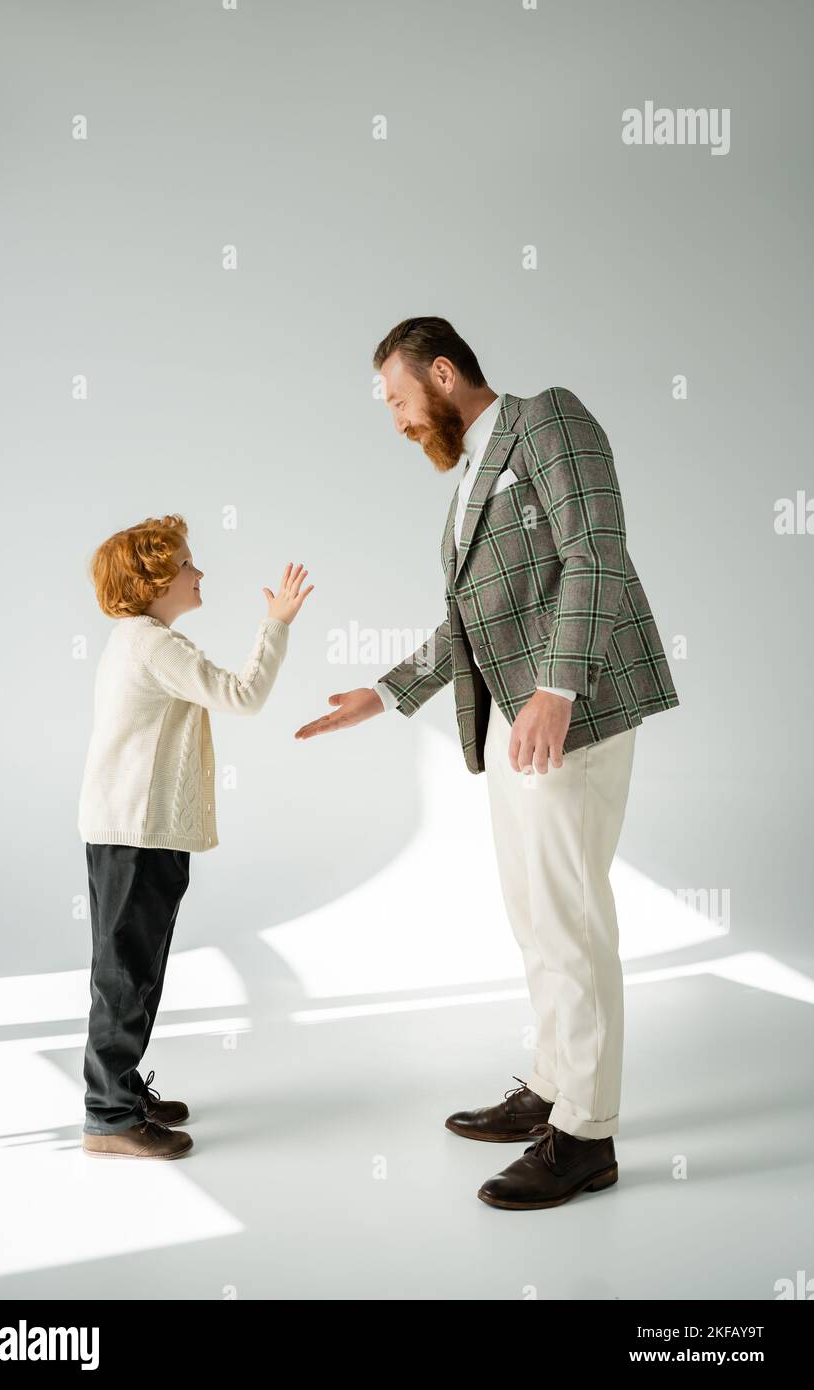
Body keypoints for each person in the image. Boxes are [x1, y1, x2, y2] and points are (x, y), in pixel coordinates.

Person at [295, 317, 679, 1210]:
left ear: (441, 371)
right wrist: (387, 693)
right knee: (536, 915)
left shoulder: (547, 420)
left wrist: (558, 686)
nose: (394, 420)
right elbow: (468, 621)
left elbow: (596, 552)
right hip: (516, 724)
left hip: (571, 710)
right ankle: (553, 1088)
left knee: (570, 918)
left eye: (397, 399)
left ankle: (587, 1137)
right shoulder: (469, 476)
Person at [77, 512, 312, 1159]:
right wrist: (278, 626)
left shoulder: (138, 640)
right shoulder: (152, 644)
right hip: (137, 834)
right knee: (126, 973)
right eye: (185, 564)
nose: (198, 571)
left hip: (134, 830)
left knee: (132, 968)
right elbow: (242, 694)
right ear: (154, 580)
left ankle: (118, 1093)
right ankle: (109, 1117)